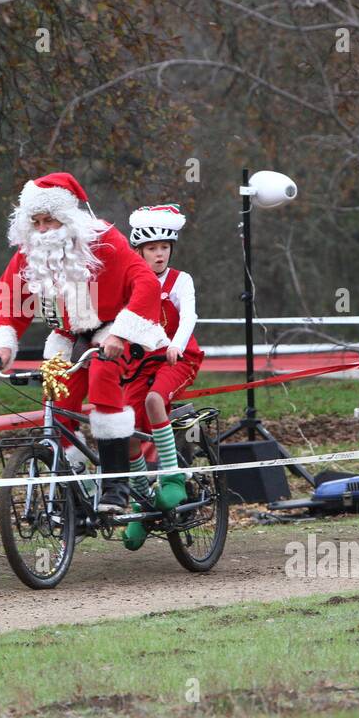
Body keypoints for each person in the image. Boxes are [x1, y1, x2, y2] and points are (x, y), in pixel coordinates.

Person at [0, 173, 169, 518]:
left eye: (49, 220)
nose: (42, 230)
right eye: (35, 222)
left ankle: (117, 485)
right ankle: (74, 482)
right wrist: (4, 345)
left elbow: (145, 283)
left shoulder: (105, 241)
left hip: (113, 329)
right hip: (67, 335)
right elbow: (10, 299)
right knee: (56, 397)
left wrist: (120, 335)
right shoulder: (31, 252)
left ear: (68, 216)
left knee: (102, 378)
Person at [120, 203, 204, 549]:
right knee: (123, 427)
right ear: (138, 251)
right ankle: (144, 502)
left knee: (156, 400)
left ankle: (171, 479)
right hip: (139, 362)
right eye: (152, 249)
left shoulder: (180, 280)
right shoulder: (130, 282)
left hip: (177, 357)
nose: (159, 254)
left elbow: (189, 317)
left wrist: (176, 345)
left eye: (164, 248)